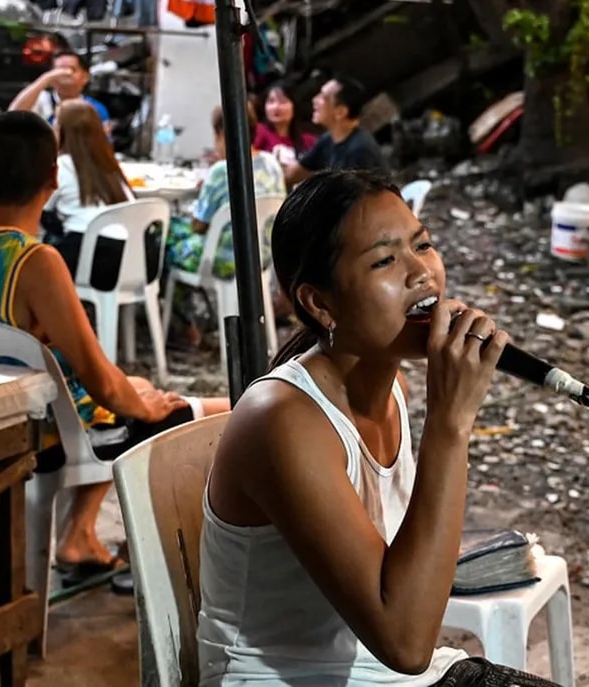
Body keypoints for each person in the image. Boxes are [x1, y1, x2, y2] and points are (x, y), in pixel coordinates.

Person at [197, 170, 558, 686]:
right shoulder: (282, 419)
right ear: (320, 303)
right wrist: (450, 424)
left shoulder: (393, 389)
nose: (421, 273)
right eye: (384, 260)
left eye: (423, 245)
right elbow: (405, 644)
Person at [0, 110, 229, 585]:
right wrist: (147, 406)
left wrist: (135, 394)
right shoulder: (36, 261)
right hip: (44, 432)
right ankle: (162, 556)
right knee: (216, 413)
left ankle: (80, 535)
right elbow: (100, 379)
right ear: (53, 177)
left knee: (137, 388)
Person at [167, 102, 285, 279]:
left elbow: (198, 225)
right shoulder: (272, 163)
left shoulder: (221, 171)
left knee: (167, 236)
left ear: (222, 133)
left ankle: (178, 295)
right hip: (264, 257)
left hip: (226, 260)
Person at [42, 98, 134, 286]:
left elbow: (40, 208)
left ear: (63, 132)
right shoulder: (111, 167)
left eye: (55, 125)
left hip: (91, 258)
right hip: (133, 258)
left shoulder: (61, 167)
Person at [284, 76, 386, 186]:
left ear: (341, 112)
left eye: (323, 97)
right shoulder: (329, 139)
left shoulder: (360, 151)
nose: (314, 100)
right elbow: (293, 174)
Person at [8, 49, 110, 128]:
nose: (64, 74)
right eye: (59, 70)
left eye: (71, 69)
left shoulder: (94, 108)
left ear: (85, 77)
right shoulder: (41, 100)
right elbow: (12, 117)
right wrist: (45, 79)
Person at [253, 83, 316, 166]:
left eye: (283, 102)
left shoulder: (309, 141)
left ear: (294, 106)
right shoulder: (259, 131)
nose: (276, 107)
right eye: (271, 101)